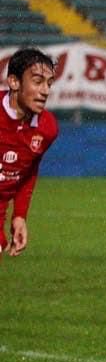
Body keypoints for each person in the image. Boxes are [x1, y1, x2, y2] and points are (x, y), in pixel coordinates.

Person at [0, 48, 58, 259]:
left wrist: (20, 216)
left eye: (49, 84)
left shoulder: (47, 128)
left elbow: (28, 170)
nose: (45, 91)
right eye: (37, 81)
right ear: (14, 82)